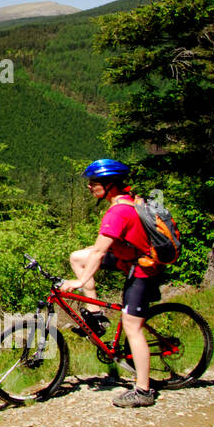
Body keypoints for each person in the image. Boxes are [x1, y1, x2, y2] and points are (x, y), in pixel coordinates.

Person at [57, 159, 161, 408]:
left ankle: (143, 391)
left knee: (132, 328)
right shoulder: (123, 202)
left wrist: (79, 281)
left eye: (94, 182)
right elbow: (94, 253)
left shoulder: (118, 212)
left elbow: (100, 252)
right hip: (129, 258)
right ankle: (96, 315)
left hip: (143, 269)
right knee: (76, 257)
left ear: (110, 184)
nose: (90, 186)